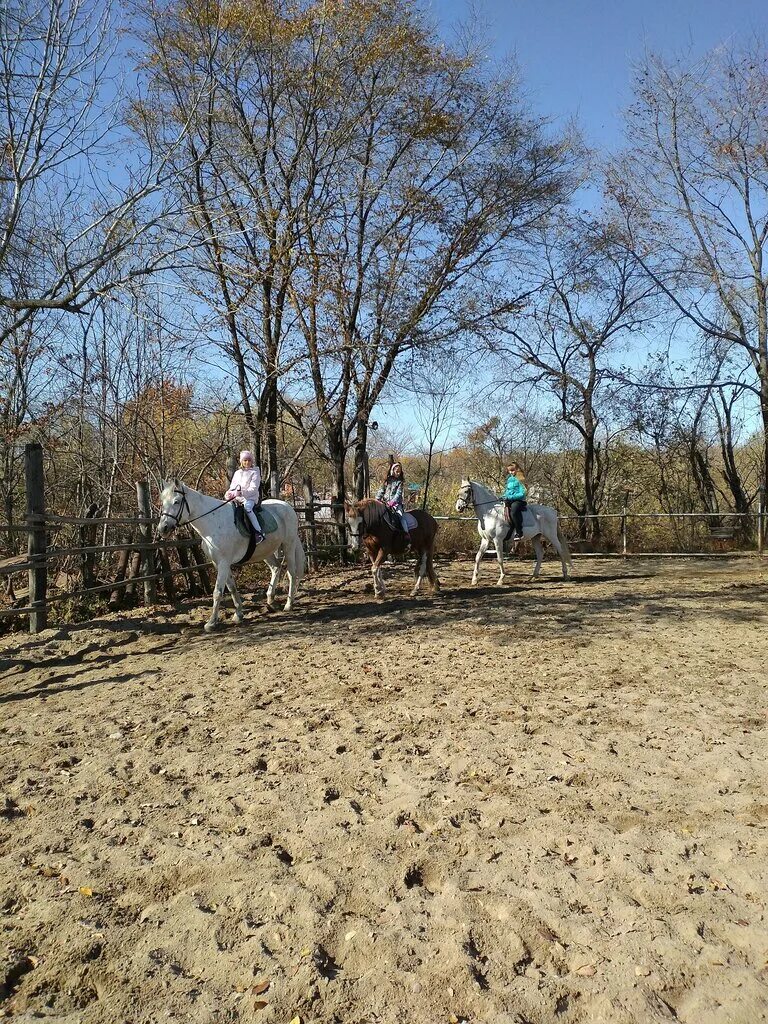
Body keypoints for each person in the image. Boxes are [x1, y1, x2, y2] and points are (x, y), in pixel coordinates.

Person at [225, 450, 264, 543]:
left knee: (248, 509)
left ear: (251, 461)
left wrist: (241, 492)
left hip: (250, 498)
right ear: (241, 461)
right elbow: (233, 486)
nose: (247, 462)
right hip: (237, 498)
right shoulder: (237, 473)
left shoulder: (255, 472)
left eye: (249, 460)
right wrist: (229, 493)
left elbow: (254, 488)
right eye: (245, 460)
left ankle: (258, 532)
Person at [376, 460, 410, 537]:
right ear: (392, 471)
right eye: (397, 471)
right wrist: (377, 499)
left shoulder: (400, 482)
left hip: (396, 505)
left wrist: (392, 502)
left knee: (401, 518)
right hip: (385, 503)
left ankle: (406, 534)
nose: (398, 473)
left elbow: (398, 494)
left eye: (399, 471)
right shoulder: (387, 481)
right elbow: (381, 491)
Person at [503, 461, 527, 541]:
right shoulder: (509, 479)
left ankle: (519, 533)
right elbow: (507, 491)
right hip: (510, 499)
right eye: (509, 470)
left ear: (517, 469)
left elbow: (523, 493)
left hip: (519, 501)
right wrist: (503, 496)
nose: (511, 472)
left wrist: (511, 497)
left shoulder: (520, 478)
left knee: (514, 510)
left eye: (512, 470)